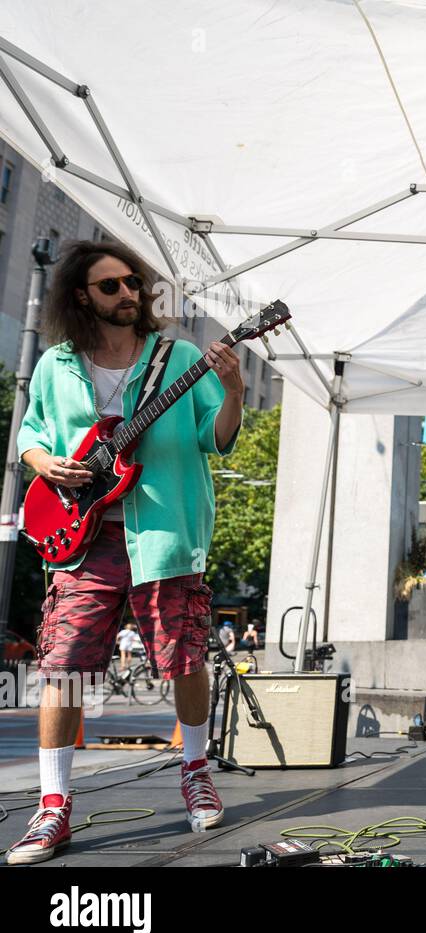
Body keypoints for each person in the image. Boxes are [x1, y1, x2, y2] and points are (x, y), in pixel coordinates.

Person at [7, 240, 243, 865]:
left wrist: (235, 389)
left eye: (134, 283)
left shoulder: (180, 357)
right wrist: (45, 465)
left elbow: (215, 439)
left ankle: (196, 770)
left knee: (184, 657)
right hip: (82, 538)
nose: (128, 294)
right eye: (111, 286)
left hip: (163, 532)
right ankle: (53, 807)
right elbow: (31, 435)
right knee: (62, 668)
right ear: (82, 294)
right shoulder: (57, 363)